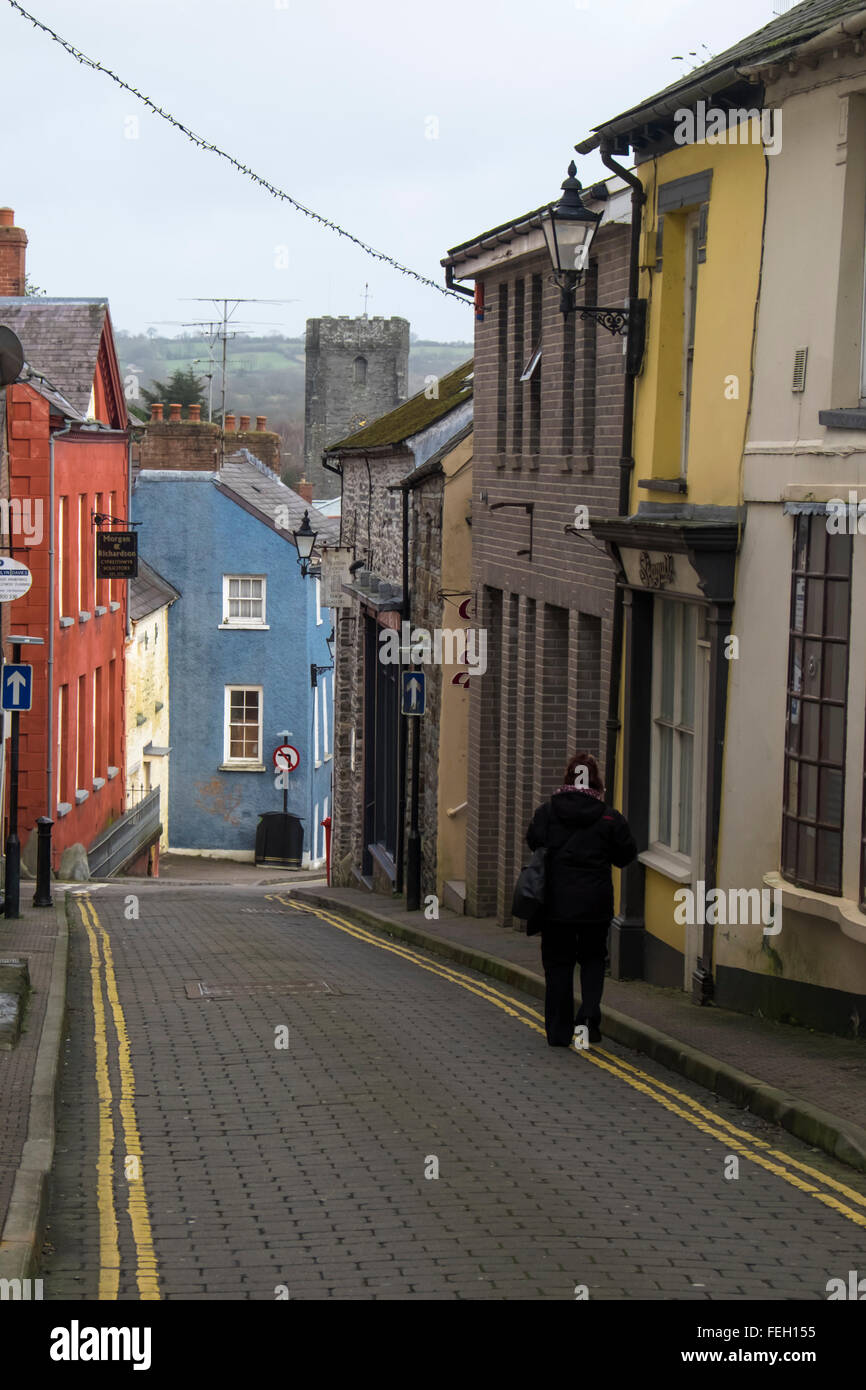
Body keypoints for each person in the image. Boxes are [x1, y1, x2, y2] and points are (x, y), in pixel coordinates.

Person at [525, 751, 637, 1048]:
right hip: (595, 905)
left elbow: (533, 841)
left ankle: (559, 1032)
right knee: (592, 959)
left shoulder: (547, 813)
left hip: (556, 905)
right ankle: (588, 1016)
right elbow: (626, 856)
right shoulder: (609, 817)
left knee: (558, 964)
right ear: (596, 781)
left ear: (567, 779)